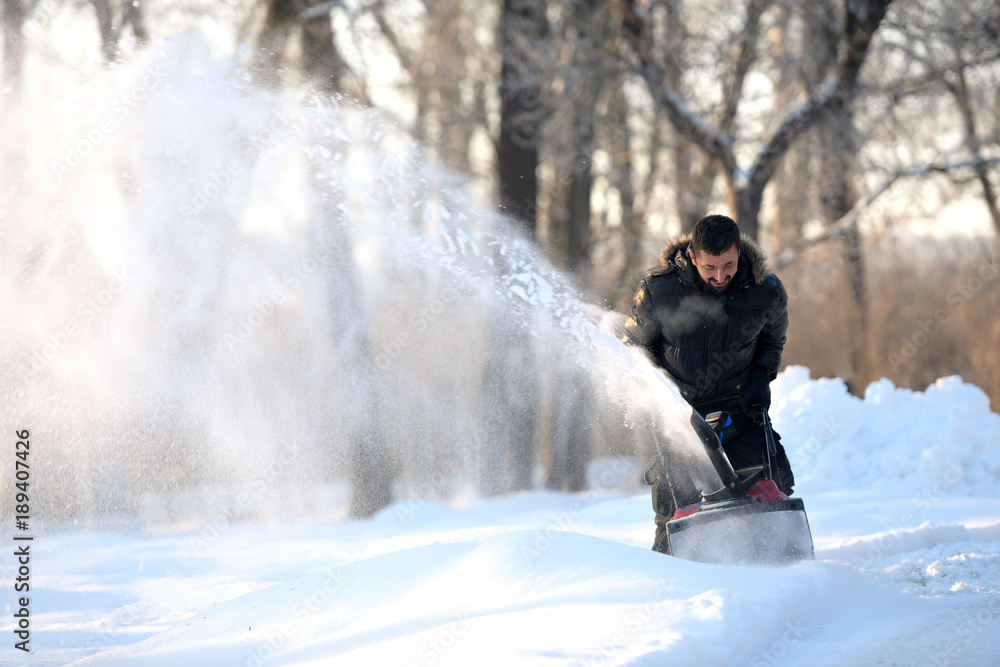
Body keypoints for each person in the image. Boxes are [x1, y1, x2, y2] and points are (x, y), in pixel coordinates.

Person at [622, 214, 795, 554]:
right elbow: (634, 350)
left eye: (729, 265)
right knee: (677, 506)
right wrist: (656, 396)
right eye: (710, 267)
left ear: (739, 254)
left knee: (772, 485)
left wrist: (760, 379)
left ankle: (780, 570)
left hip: (739, 405)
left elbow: (772, 341)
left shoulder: (766, 290)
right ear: (692, 257)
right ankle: (675, 578)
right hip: (679, 413)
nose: (720, 276)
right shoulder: (658, 291)